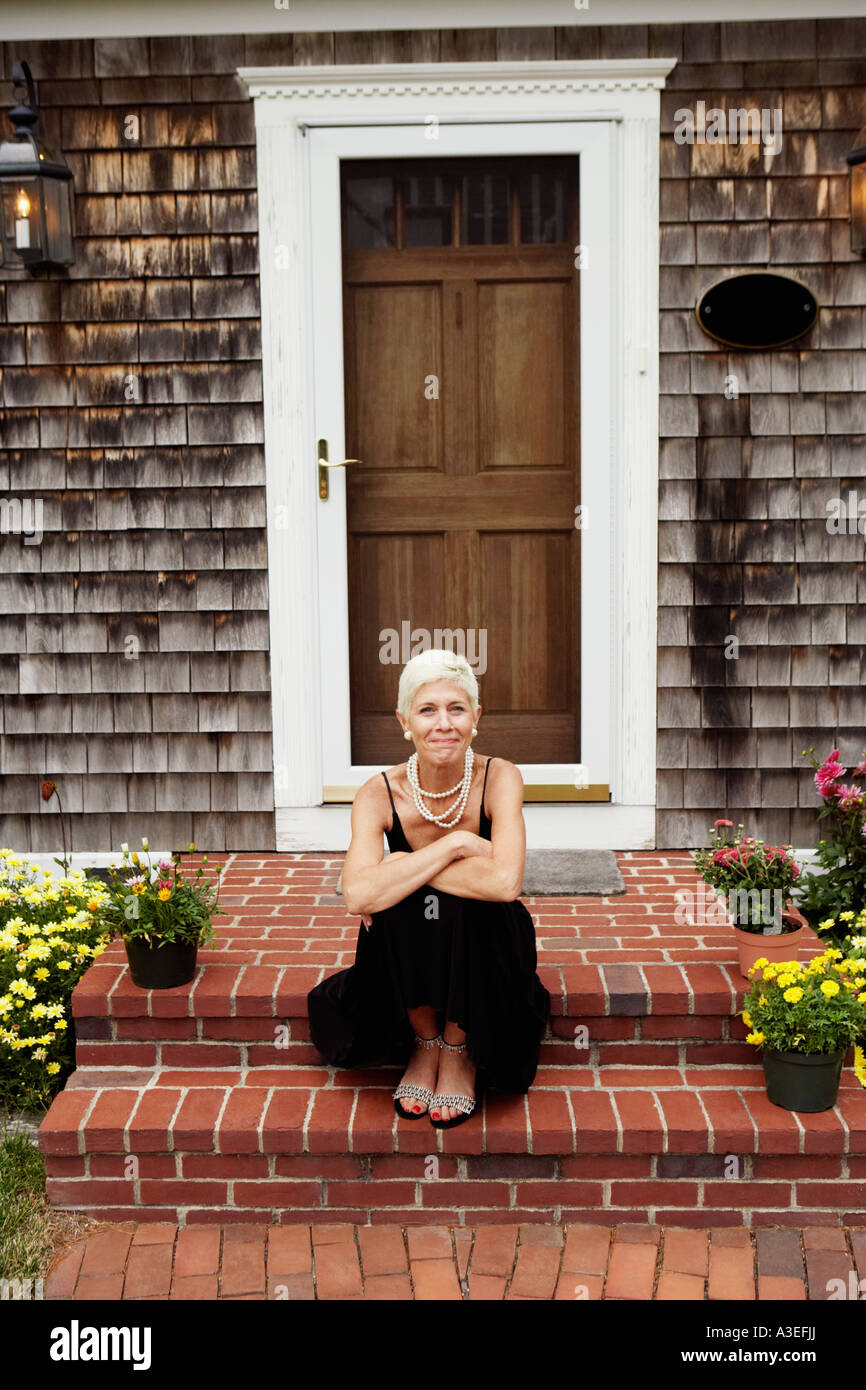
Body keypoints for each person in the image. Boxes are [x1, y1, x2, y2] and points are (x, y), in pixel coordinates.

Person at [306, 648, 551, 1129]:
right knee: (398, 907)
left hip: (489, 942)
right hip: (411, 945)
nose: (444, 724)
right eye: (427, 710)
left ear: (476, 718)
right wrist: (458, 848)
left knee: (453, 900)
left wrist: (402, 864)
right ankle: (424, 1043)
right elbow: (356, 895)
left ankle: (458, 1049)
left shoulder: (500, 776)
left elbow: (505, 882)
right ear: (405, 721)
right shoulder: (378, 793)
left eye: (456, 709)